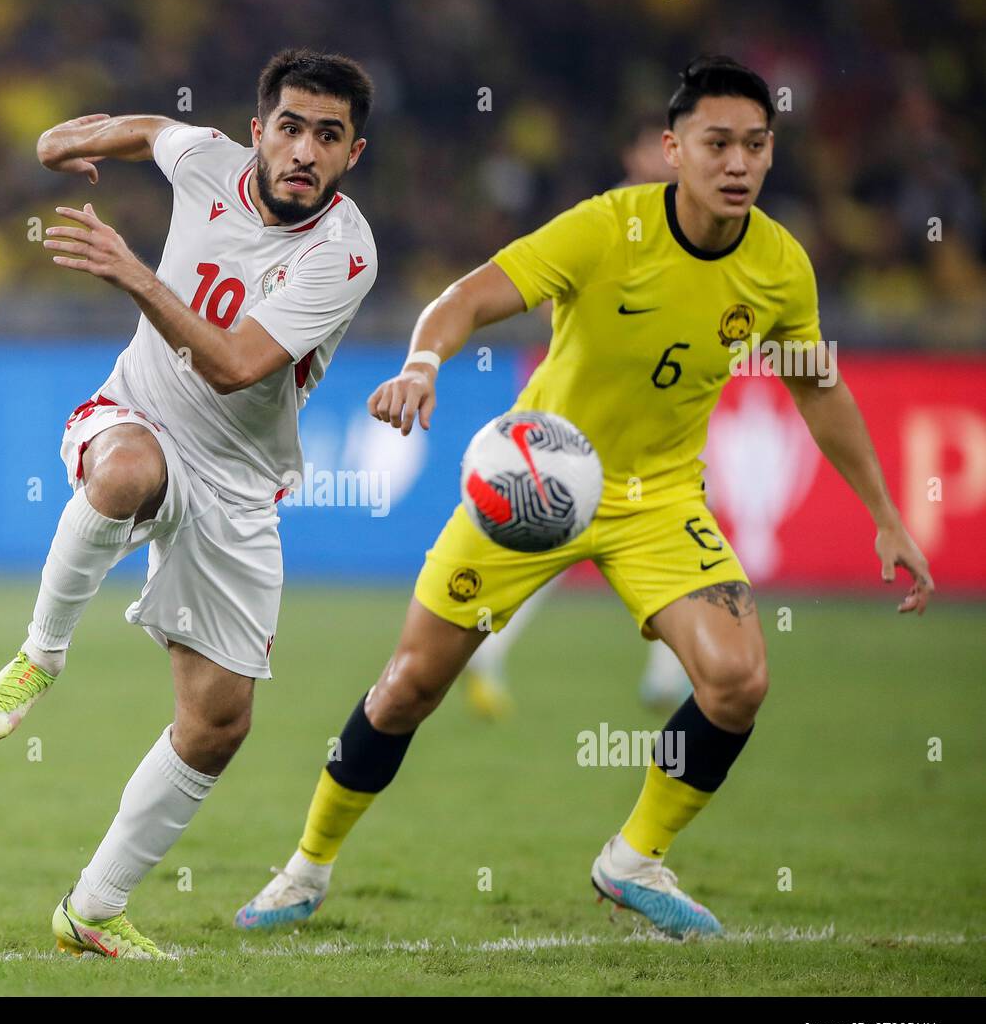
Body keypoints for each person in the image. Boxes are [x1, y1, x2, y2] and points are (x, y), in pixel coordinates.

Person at [235, 55, 933, 940]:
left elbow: (817, 387)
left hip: (660, 500)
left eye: (756, 146)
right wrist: (421, 364)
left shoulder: (779, 268)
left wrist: (885, 514)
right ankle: (306, 868)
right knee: (408, 687)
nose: (739, 165)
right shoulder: (606, 231)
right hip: (536, 483)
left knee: (737, 681)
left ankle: (633, 857)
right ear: (673, 150)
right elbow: (469, 297)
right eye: (718, 144)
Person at [0, 49, 377, 959]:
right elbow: (154, 129)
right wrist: (62, 139)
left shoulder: (345, 251)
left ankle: (94, 906)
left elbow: (234, 366)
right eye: (293, 126)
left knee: (219, 723)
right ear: (259, 130)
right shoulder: (207, 159)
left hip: (237, 483)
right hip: (138, 416)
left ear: (351, 154)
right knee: (124, 473)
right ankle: (40, 657)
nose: (306, 150)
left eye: (330, 135)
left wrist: (133, 273)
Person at [462, 115, 691, 721]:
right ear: (637, 151)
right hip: (589, 422)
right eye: (659, 145)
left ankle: (669, 672)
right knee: (555, 550)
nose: (672, 159)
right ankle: (672, 672)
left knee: (553, 554)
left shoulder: (698, 226)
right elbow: (536, 290)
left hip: (654, 425)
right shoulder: (604, 219)